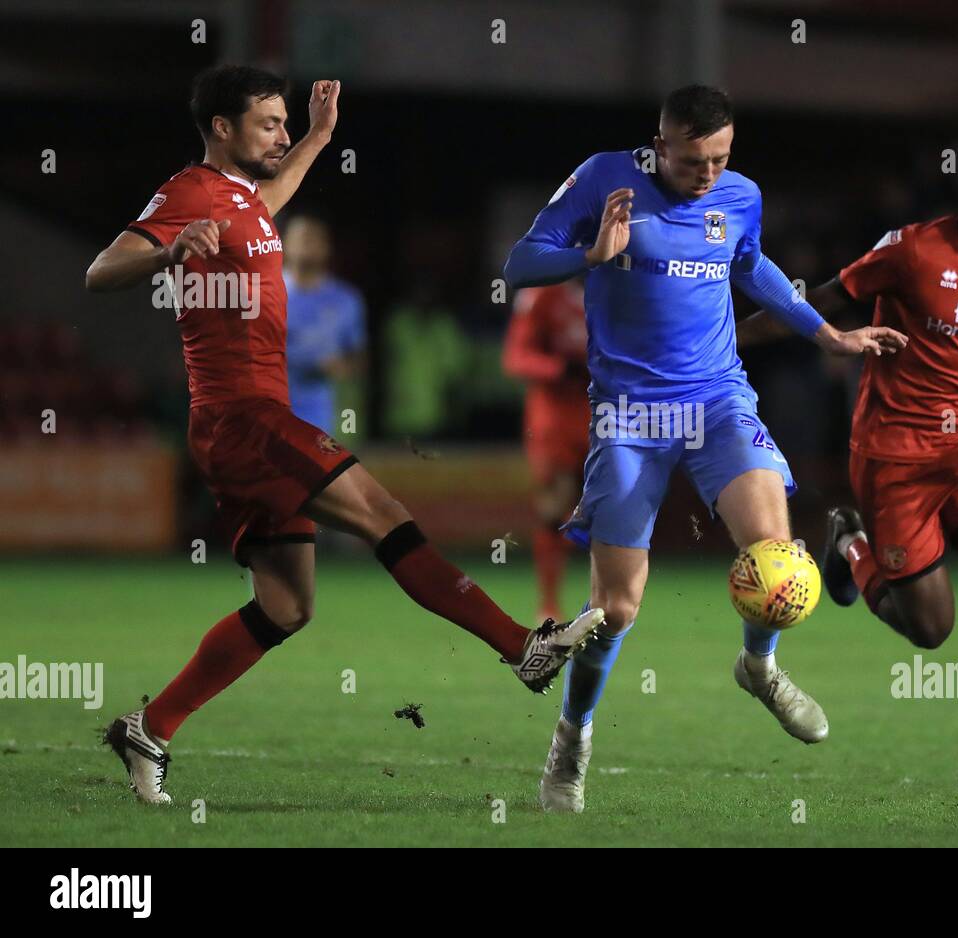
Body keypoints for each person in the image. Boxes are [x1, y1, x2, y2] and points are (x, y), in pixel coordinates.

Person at [84, 65, 602, 805]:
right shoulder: (191, 192)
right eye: (269, 124)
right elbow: (101, 271)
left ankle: (150, 728)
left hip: (251, 422)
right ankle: (521, 647)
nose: (281, 135)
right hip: (244, 420)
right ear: (222, 129)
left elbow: (271, 195)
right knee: (383, 515)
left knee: (286, 607)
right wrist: (166, 253)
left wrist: (320, 137)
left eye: (284, 123)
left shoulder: (244, 199)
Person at [504, 84, 905, 812]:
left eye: (721, 158)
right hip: (629, 415)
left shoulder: (740, 196)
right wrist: (590, 253)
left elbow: (752, 266)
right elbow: (520, 264)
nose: (709, 174)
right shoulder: (603, 178)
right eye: (694, 161)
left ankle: (759, 666)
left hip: (718, 399)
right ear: (660, 145)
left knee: (776, 558)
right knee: (615, 610)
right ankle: (572, 739)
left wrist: (828, 335)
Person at [740, 138, 958, 788]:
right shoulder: (912, 249)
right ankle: (850, 543)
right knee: (932, 631)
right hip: (894, 456)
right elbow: (822, 300)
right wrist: (726, 339)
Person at [501, 278, 590, 623]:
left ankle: (613, 602)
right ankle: (549, 605)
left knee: (611, 508)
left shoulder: (623, 285)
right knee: (555, 506)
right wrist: (559, 367)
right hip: (555, 417)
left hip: (609, 412)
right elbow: (516, 357)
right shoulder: (541, 294)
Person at [282, 213, 367, 437]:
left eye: (313, 239)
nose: (306, 245)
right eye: (301, 238)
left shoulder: (346, 300)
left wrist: (341, 367)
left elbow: (359, 359)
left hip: (324, 417)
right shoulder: (263, 294)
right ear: (284, 243)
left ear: (326, 247)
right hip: (272, 412)